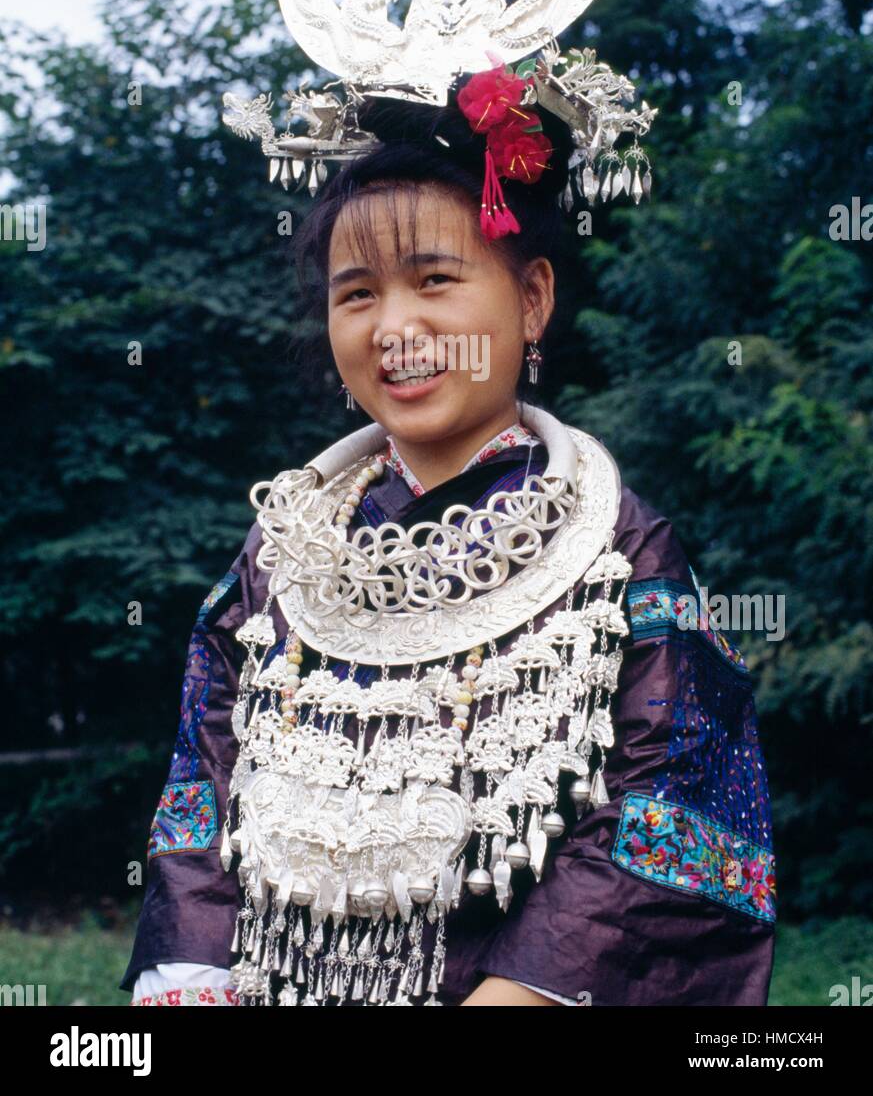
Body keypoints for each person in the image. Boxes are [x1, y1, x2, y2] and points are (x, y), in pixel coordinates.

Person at [120, 81, 777, 1006]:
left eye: (434, 280)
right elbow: (201, 786)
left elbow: (665, 818)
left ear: (533, 298)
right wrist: (193, 981)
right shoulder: (280, 555)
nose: (395, 330)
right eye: (357, 294)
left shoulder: (621, 550)